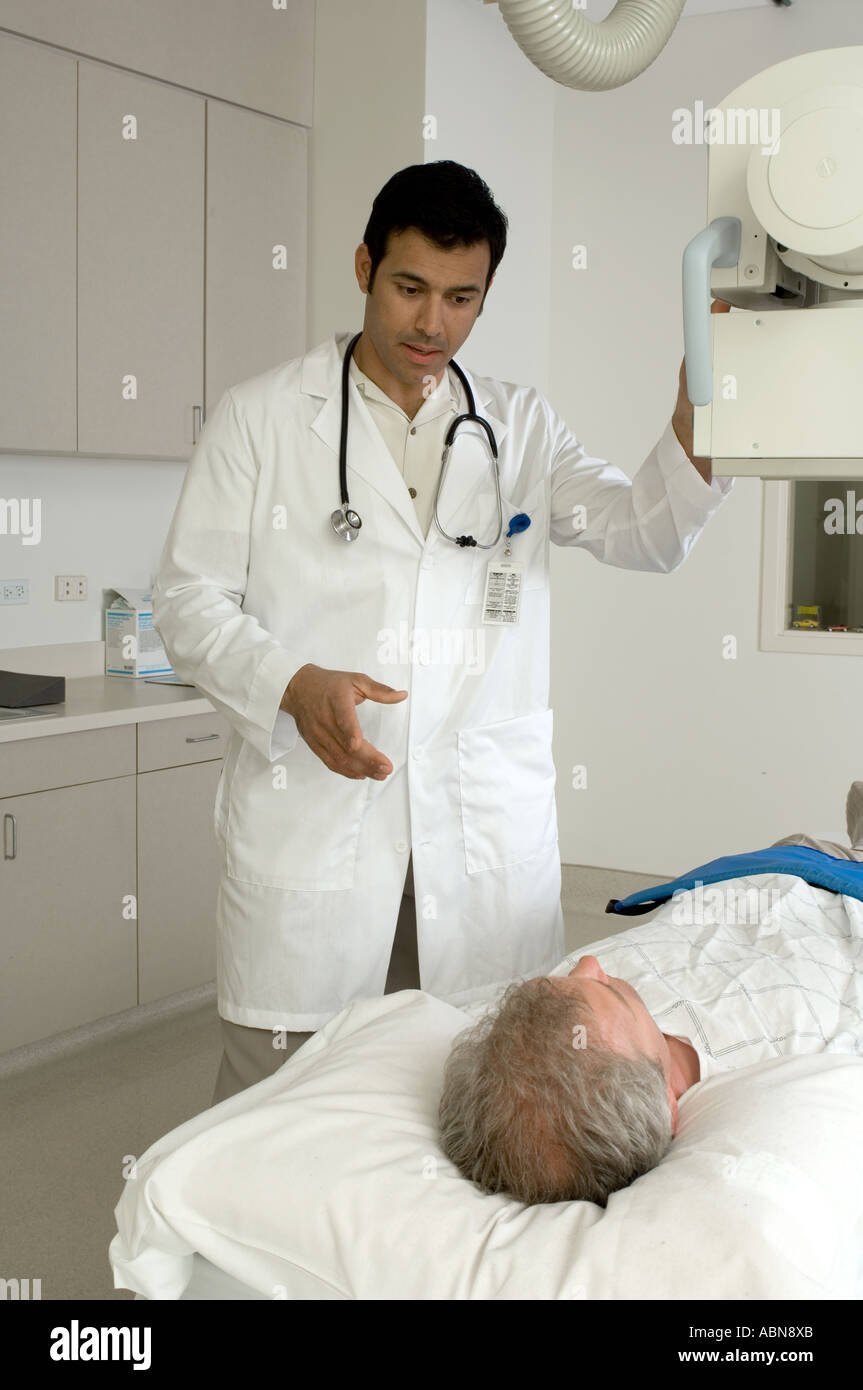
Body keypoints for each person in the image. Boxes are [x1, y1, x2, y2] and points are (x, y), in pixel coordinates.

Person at [151, 161, 734, 1108]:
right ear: (363, 268)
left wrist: (698, 406)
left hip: (474, 834)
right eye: (410, 289)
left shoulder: (519, 427)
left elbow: (646, 533)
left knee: (475, 1095)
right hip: (322, 824)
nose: (432, 325)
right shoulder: (261, 419)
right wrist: (293, 681)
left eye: (461, 299)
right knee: (285, 1101)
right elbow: (187, 599)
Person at [438, 781, 863, 1207]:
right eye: (614, 993)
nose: (590, 966)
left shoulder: (558, 1039)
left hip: (767, 869)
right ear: (666, 1103)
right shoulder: (800, 1068)